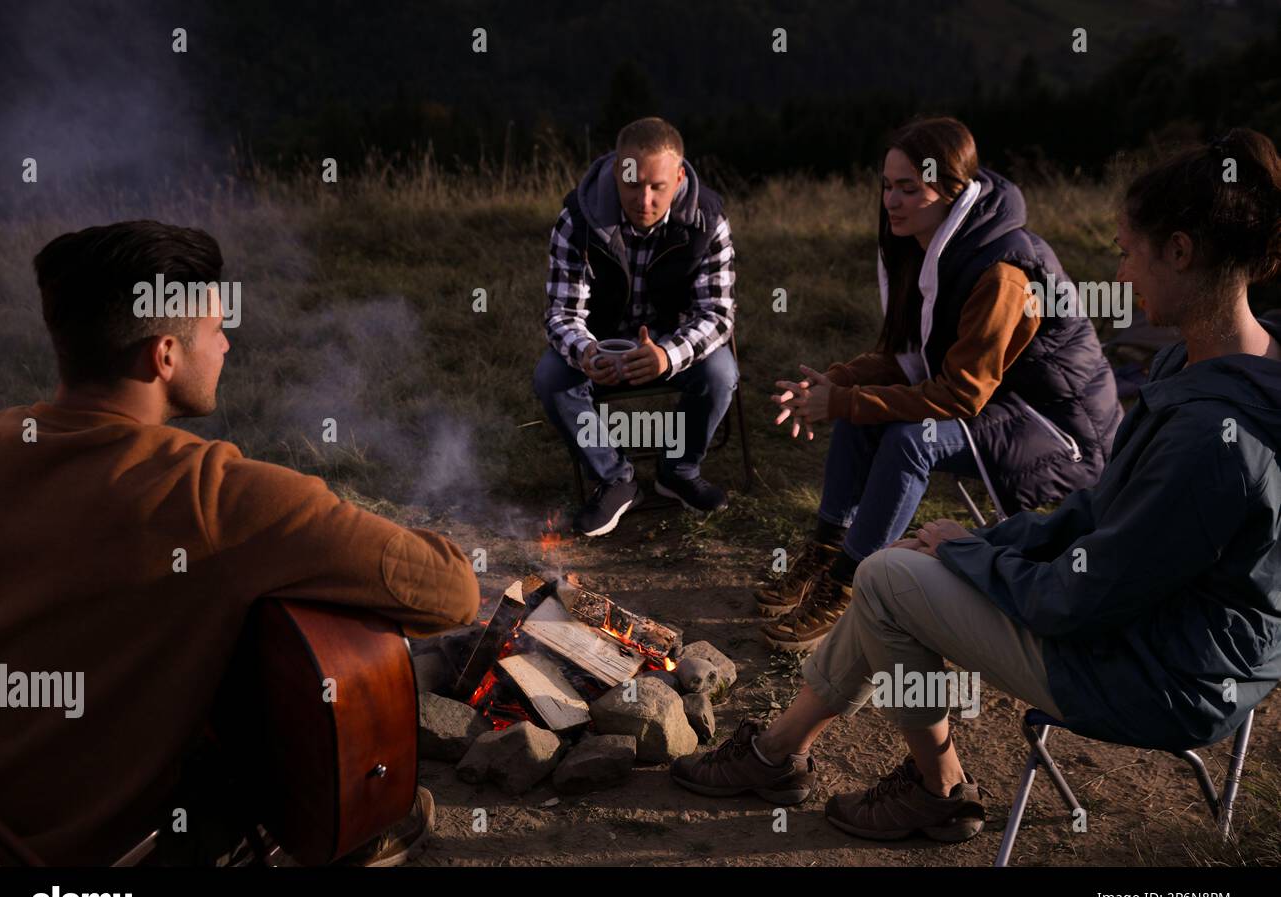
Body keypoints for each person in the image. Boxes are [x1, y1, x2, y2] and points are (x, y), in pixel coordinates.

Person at [673, 128, 1281, 844]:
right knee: (898, 574)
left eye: (1127, 250)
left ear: (1180, 251)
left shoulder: (1211, 437)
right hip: (1161, 640)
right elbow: (1101, 517)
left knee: (885, 581)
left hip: (1161, 678)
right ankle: (779, 752)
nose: (1119, 272)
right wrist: (988, 538)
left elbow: (1082, 596)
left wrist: (976, 558)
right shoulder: (1210, 363)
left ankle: (936, 790)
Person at [0, 221, 480, 865]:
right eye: (217, 329)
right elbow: (452, 589)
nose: (226, 344)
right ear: (164, 356)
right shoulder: (214, 494)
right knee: (369, 801)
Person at [755, 117, 1120, 652]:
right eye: (887, 186)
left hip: (1060, 431)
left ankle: (851, 585)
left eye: (910, 189)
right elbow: (907, 356)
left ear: (952, 191)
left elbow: (960, 393)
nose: (892, 202)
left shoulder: (1003, 270)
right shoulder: (928, 246)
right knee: (864, 420)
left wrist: (845, 401)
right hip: (1002, 405)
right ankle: (826, 551)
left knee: (908, 438)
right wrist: (836, 384)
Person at [534, 116, 738, 536]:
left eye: (658, 187)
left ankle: (678, 470)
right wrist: (585, 352)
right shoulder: (578, 219)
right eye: (631, 183)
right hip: (601, 348)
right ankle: (615, 479)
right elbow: (560, 313)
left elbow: (717, 316)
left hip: (672, 345)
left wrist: (668, 355)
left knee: (721, 372)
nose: (643, 199)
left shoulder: (708, 222)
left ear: (679, 177)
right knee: (551, 375)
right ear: (615, 171)